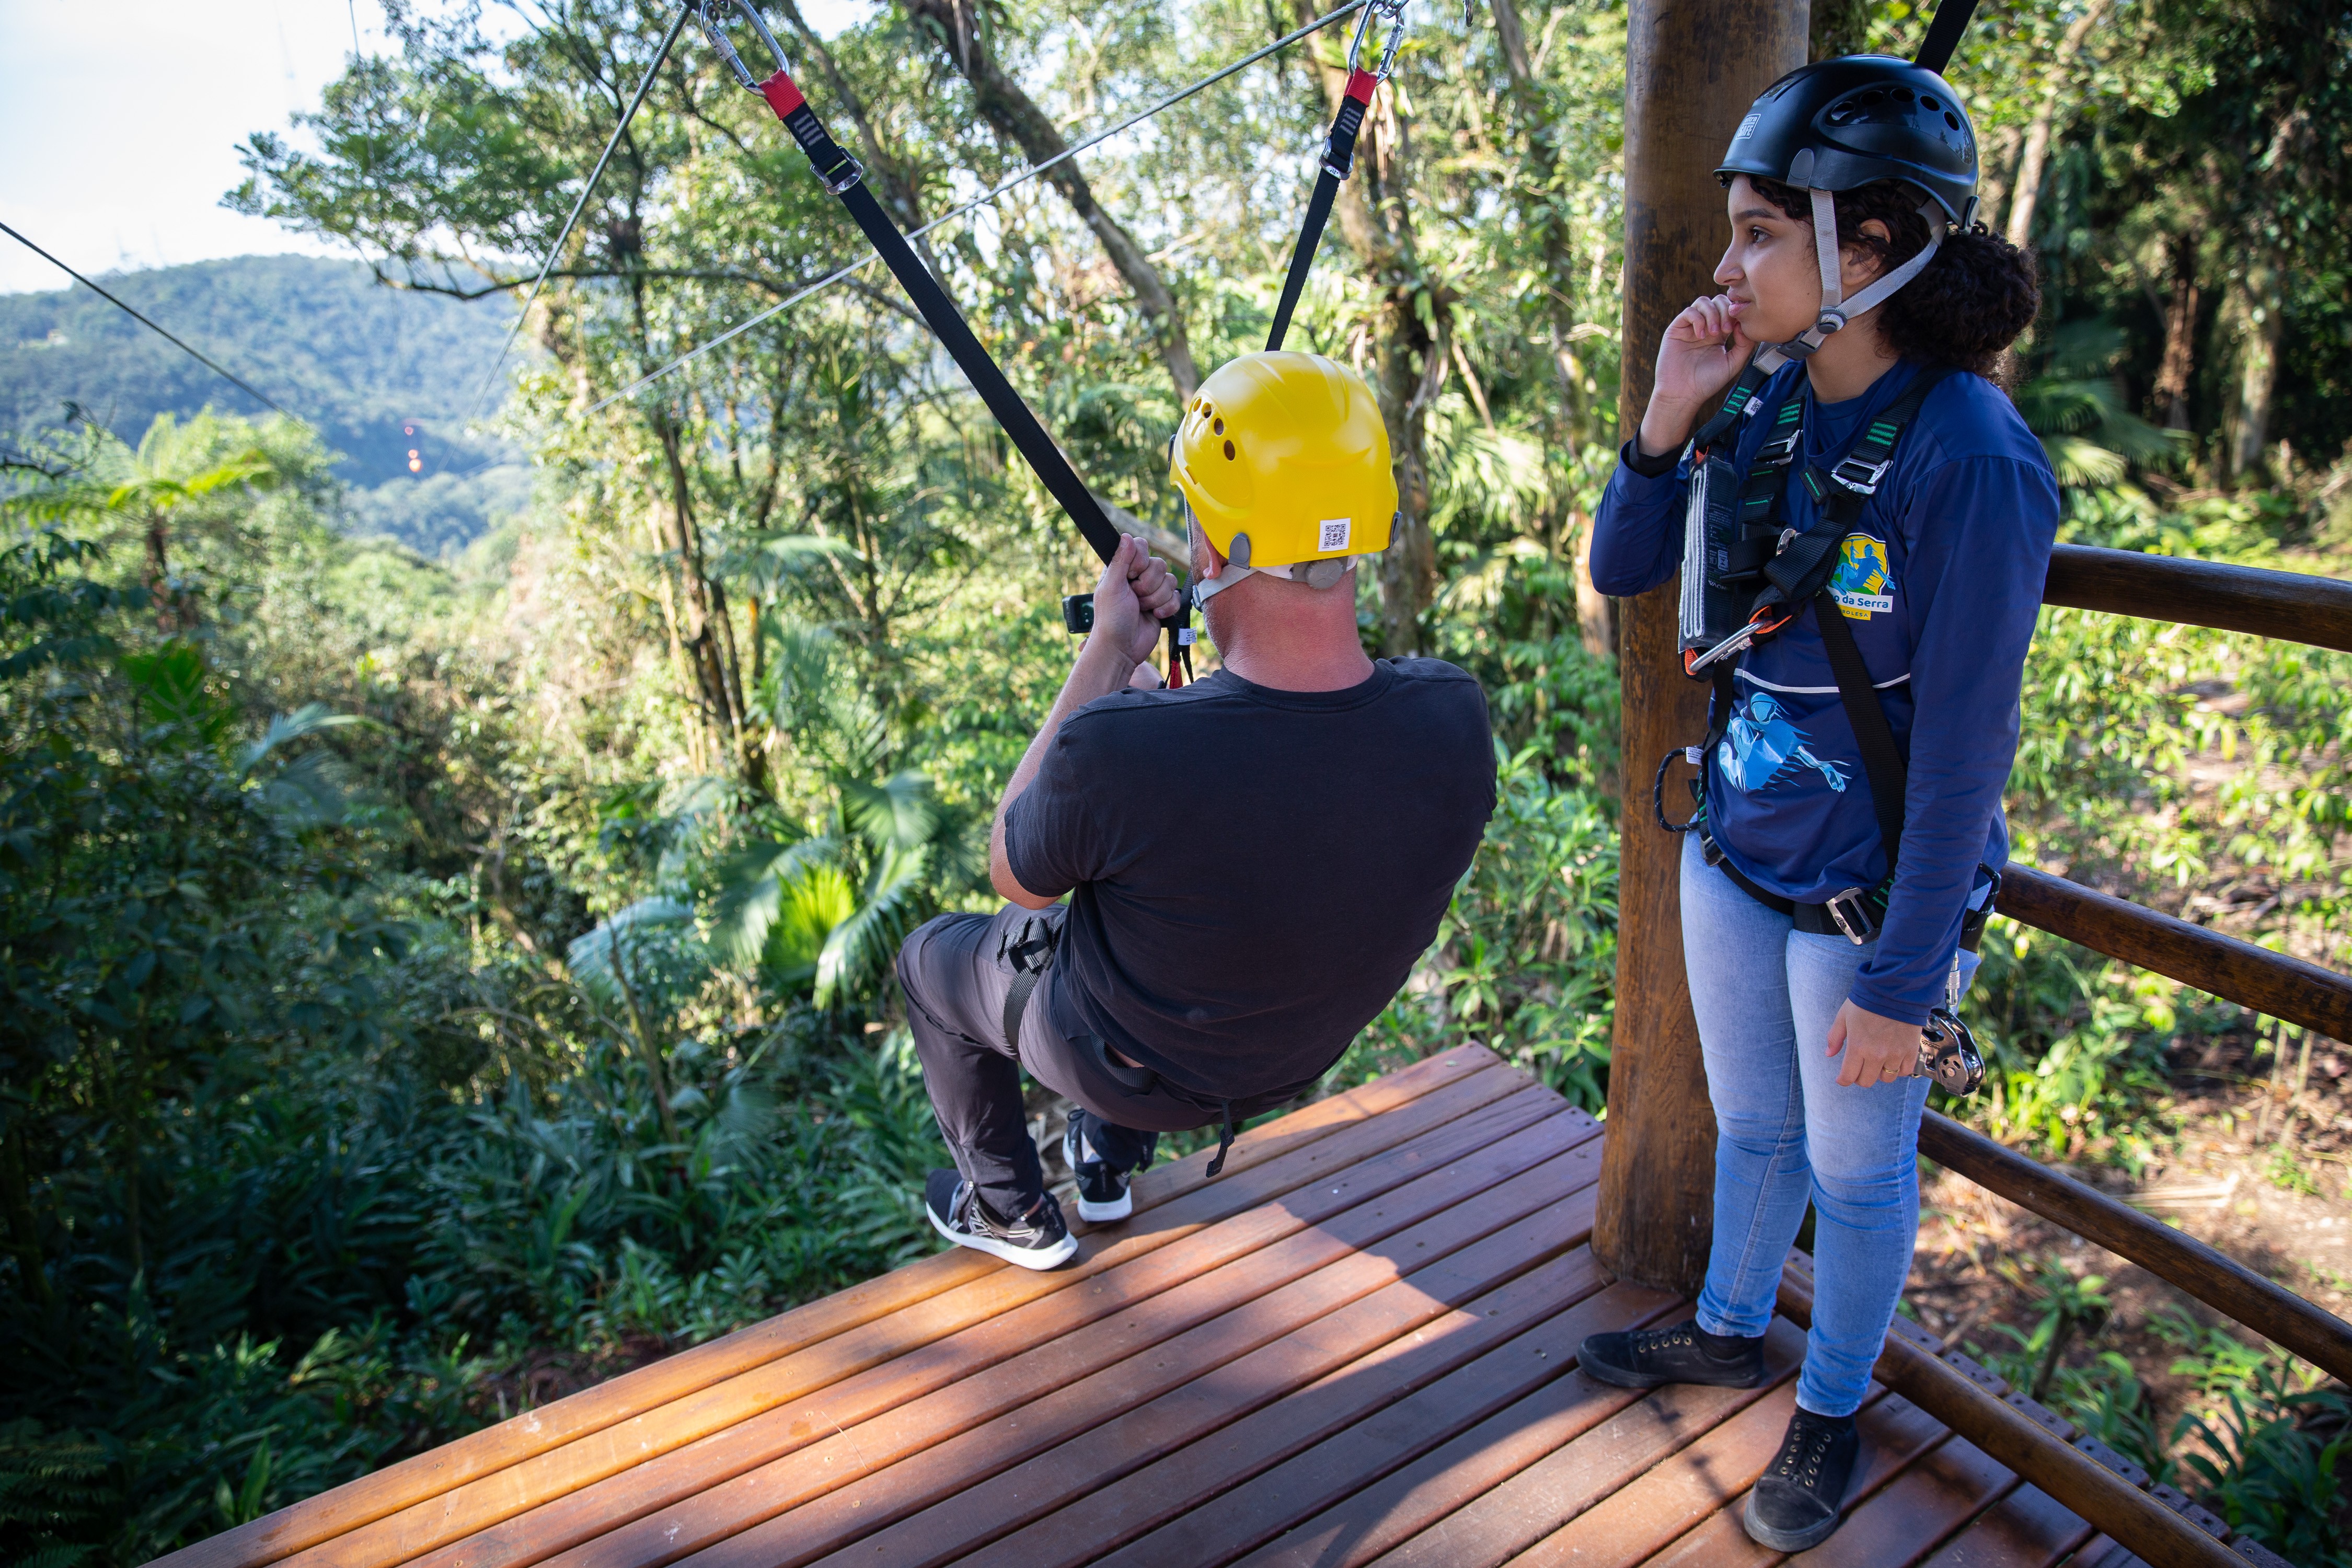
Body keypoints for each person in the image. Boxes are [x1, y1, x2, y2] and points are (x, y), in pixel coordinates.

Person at [1577, 55, 2057, 1553]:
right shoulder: (1769, 398)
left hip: (1866, 905)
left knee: (1855, 1180)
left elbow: (1971, 750)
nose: (1726, 268)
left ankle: (1830, 1404)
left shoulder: (1971, 459)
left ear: (1869, 250)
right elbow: (1623, 570)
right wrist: (1666, 416)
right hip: (1734, 849)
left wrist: (1908, 982)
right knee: (1751, 1127)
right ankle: (1728, 1324)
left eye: (1760, 234)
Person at [895, 350, 1497, 1271]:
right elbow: (1290, 789)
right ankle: (1104, 1160)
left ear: (1211, 548)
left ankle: (1009, 1208)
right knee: (1149, 905)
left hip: (1130, 1066)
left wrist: (1102, 662)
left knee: (933, 960)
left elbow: (1016, 875)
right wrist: (1149, 718)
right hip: (1294, 1058)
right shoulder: (1453, 714)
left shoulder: (1125, 750)